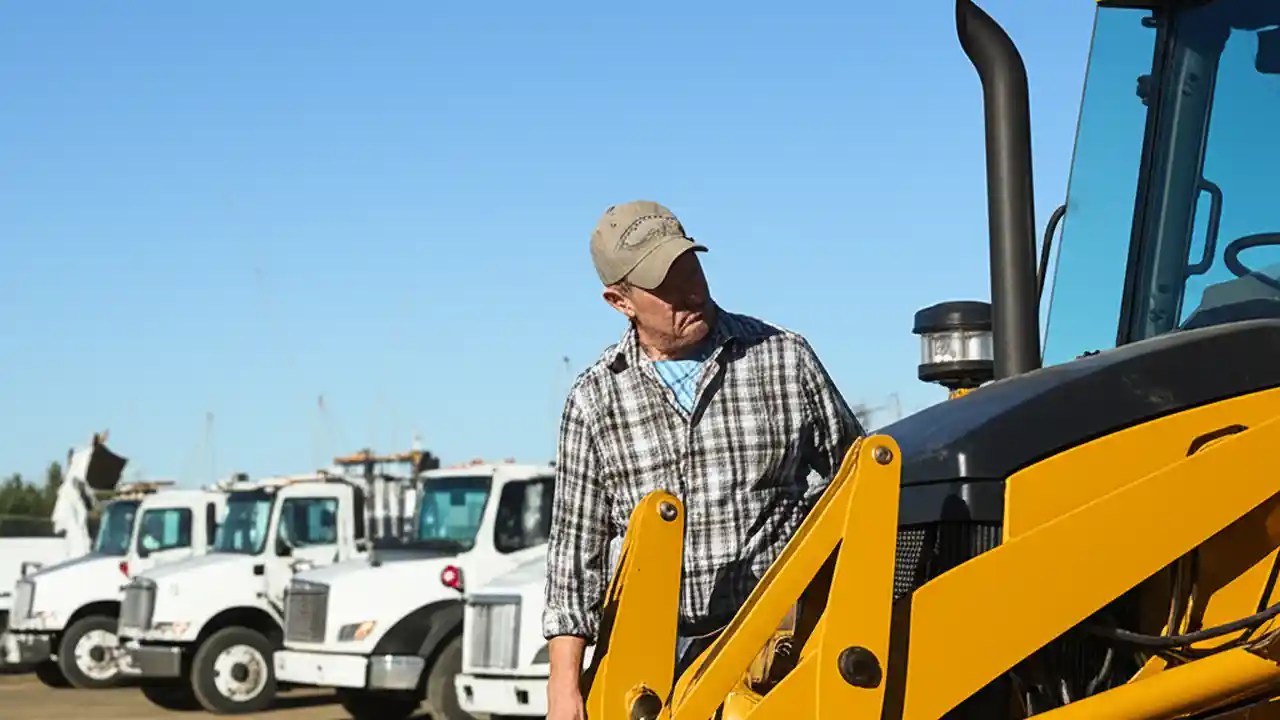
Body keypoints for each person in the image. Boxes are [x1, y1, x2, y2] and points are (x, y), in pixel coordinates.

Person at [542, 200, 863, 719]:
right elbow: (575, 555)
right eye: (663, 285)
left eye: (690, 269)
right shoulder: (595, 399)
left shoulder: (784, 358)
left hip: (778, 651)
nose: (688, 291)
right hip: (652, 666)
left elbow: (856, 483)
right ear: (619, 300)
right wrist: (564, 688)